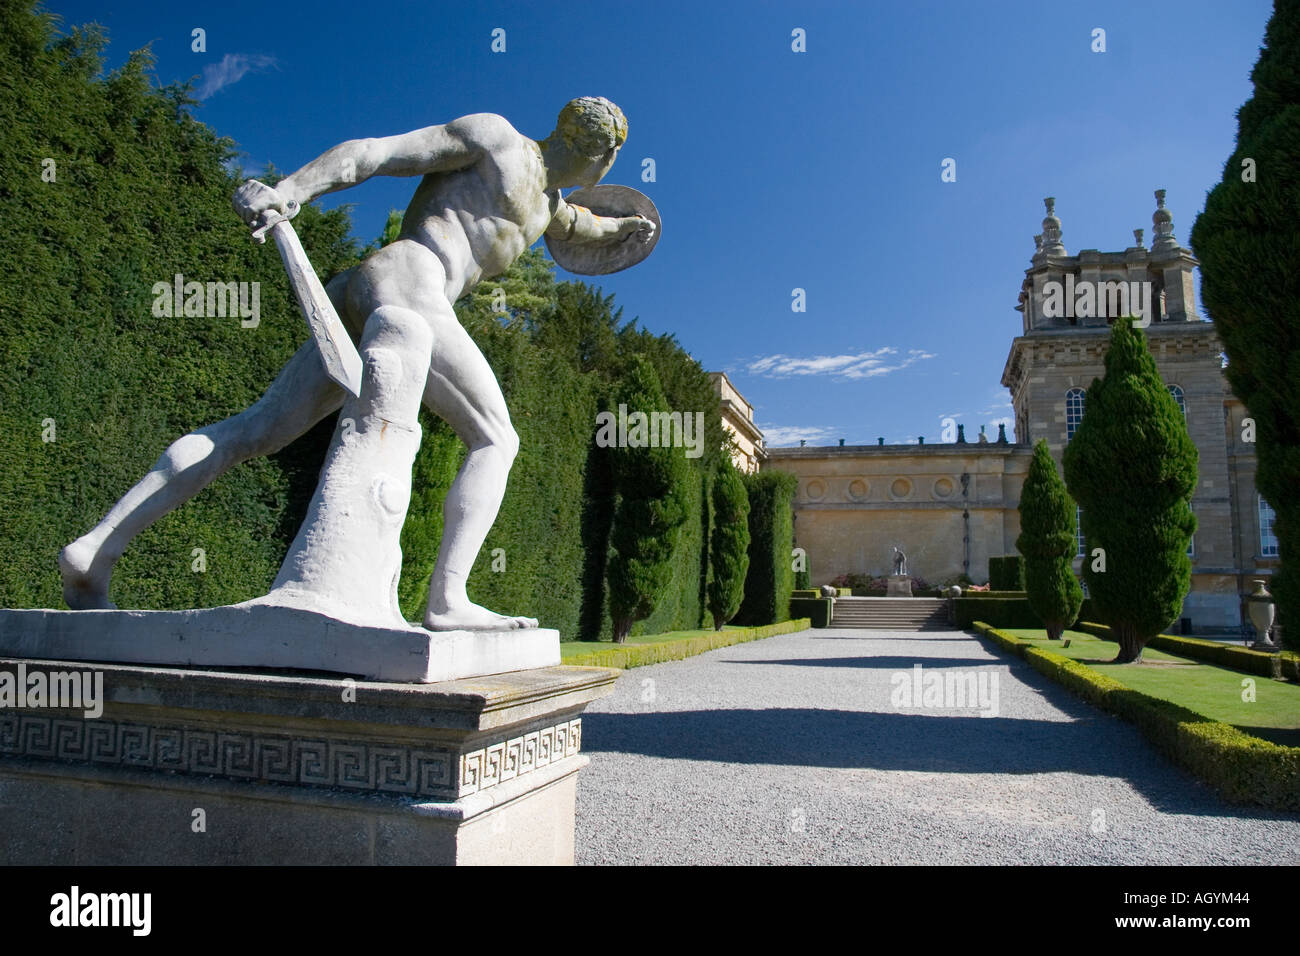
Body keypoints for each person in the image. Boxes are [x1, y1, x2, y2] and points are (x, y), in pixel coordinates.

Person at [60, 96, 654, 631]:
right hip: (411, 282)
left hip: (367, 288)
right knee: (497, 440)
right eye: (611, 159)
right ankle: (447, 599)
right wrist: (291, 190)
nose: (608, 173)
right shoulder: (496, 137)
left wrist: (626, 227)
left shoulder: (548, 204)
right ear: (593, 150)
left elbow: (586, 225)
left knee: (255, 430)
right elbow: (378, 153)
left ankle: (95, 549)